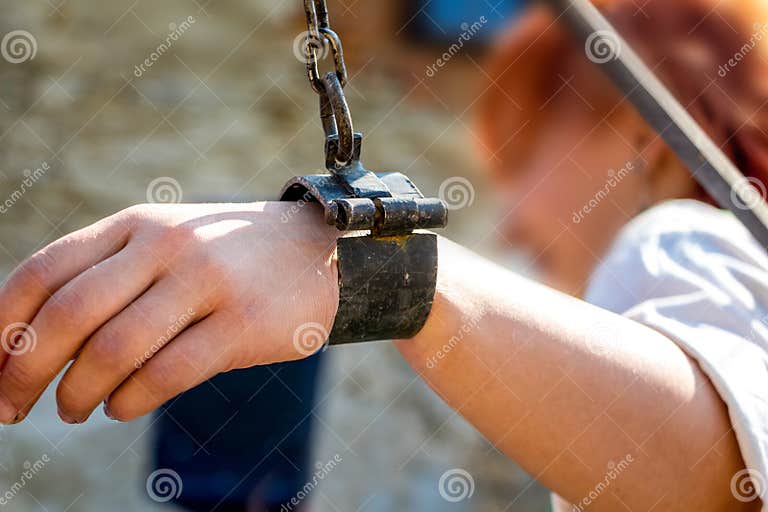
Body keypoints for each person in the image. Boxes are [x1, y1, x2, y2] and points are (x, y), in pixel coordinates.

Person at [0, 1, 764, 511]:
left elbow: (721, 479)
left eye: (525, 152)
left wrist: (380, 277)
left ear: (640, 142)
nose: (515, 210)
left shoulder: (684, 237)